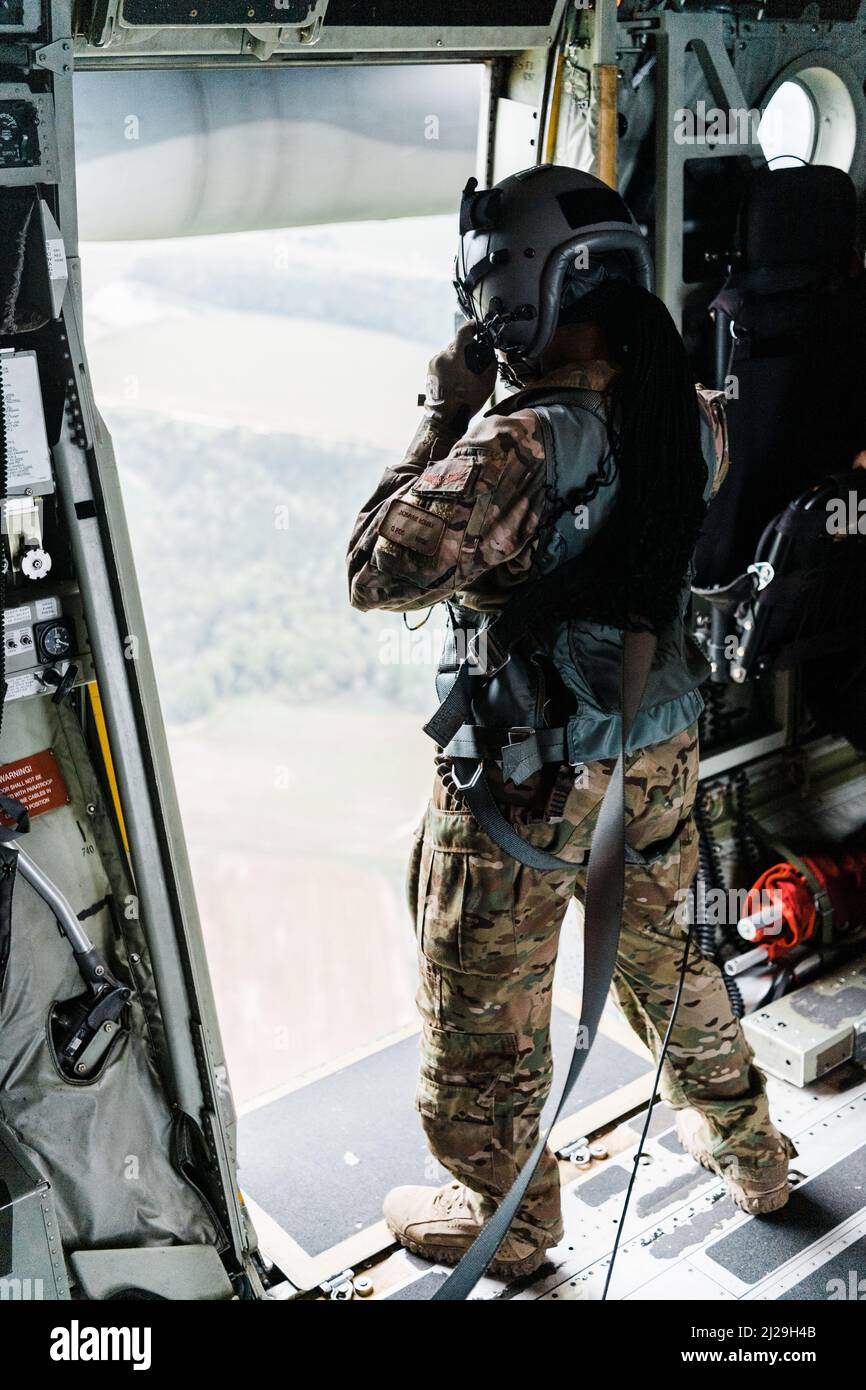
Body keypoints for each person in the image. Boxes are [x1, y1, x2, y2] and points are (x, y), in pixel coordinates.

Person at [346, 166, 794, 1280]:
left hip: (527, 774)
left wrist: (443, 407)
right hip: (652, 748)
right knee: (668, 955)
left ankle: (509, 1215)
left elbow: (373, 565)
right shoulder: (686, 416)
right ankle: (754, 1154)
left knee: (476, 1009)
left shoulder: (516, 446)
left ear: (517, 294)